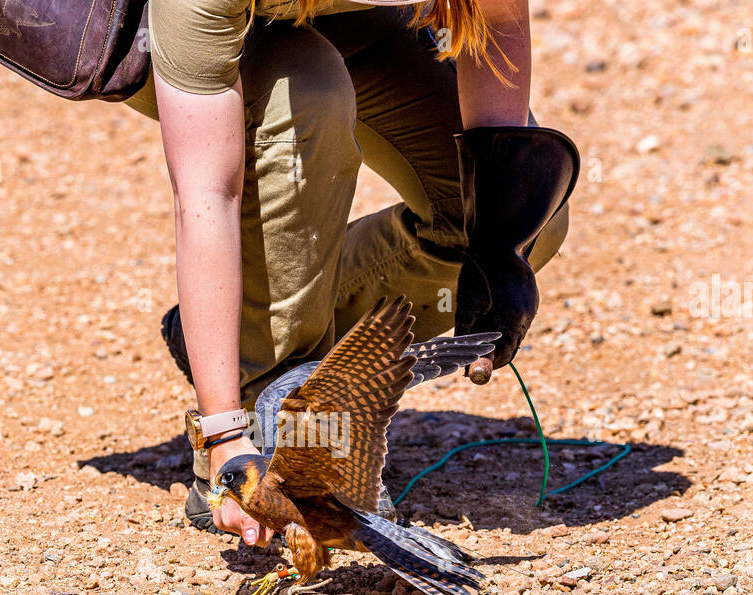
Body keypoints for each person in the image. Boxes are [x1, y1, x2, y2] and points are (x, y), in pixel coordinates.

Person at [123, 0, 578, 546]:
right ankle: (268, 416)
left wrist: (498, 248)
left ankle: (239, 332)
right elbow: (208, 196)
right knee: (308, 96)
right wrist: (223, 436)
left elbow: (494, 23)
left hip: (329, 12)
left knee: (521, 209)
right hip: (155, 23)